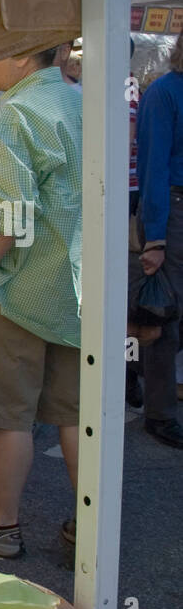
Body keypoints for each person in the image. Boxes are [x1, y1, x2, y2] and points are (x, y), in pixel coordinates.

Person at [0, 43, 83, 557]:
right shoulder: (80, 101)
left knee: (12, 418)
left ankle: (2, 525)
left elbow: (10, 214)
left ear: (24, 54)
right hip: (72, 286)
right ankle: (87, 525)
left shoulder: (16, 111)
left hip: (17, 289)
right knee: (74, 415)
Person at [130, 28, 183, 448]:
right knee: (164, 315)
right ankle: (160, 413)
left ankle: (132, 373)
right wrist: (156, 236)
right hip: (173, 209)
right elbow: (153, 167)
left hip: (172, 207)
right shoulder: (163, 92)